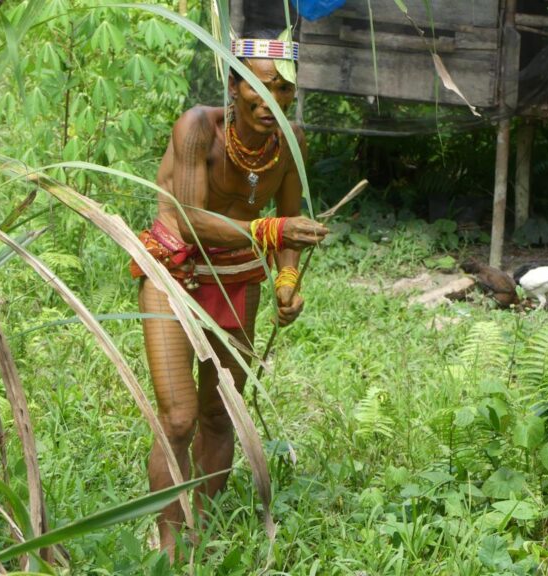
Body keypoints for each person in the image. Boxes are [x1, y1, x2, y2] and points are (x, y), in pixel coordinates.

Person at [131, 29, 328, 559]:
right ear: (237, 87)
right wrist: (271, 233)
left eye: (284, 92)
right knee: (178, 417)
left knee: (221, 414)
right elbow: (193, 222)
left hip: (239, 278)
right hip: (175, 271)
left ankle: (198, 528)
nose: (273, 103)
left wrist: (288, 280)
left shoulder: (290, 142)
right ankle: (167, 547)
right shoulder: (198, 129)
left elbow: (287, 224)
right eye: (263, 90)